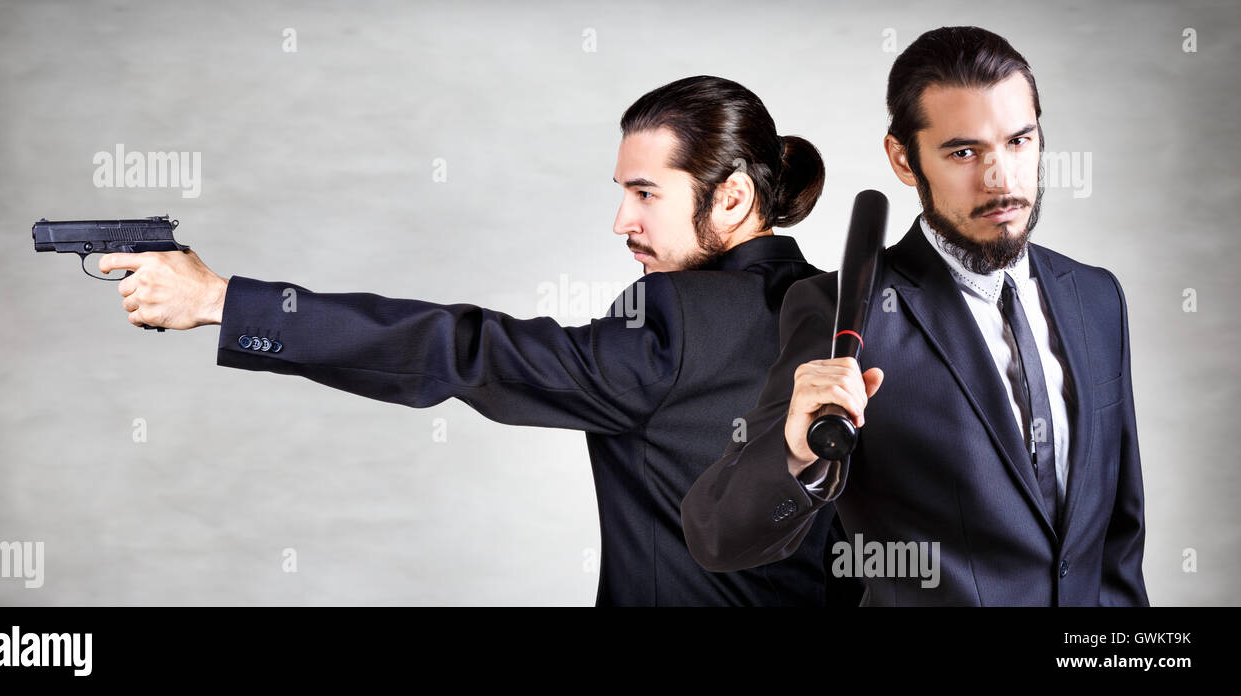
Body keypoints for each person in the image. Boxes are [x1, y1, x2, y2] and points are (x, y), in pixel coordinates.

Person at [98, 76, 863, 607]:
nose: (623, 223)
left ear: (732, 197)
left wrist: (221, 301)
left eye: (645, 193)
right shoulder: (845, 311)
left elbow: (466, 351)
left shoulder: (679, 316)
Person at [681, 28, 1149, 606]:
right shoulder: (842, 312)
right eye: (964, 152)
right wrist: (795, 451)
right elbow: (718, 535)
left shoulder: (1097, 298)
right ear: (904, 159)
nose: (1001, 179)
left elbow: (1118, 542)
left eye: (1019, 141)